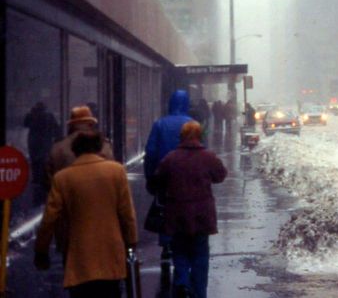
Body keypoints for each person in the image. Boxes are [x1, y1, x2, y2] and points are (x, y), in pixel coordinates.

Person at [34, 130, 137, 298]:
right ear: (99, 148)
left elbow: (49, 219)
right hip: (110, 254)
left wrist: (41, 250)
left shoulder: (62, 178)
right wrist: (131, 241)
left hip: (79, 256)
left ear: (75, 150)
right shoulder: (116, 171)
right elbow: (126, 213)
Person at [154, 121, 227, 298]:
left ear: (182, 136)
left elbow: (158, 179)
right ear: (199, 136)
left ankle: (182, 283)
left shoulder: (171, 158)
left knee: (179, 250)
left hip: (177, 212)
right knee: (200, 253)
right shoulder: (208, 156)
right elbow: (220, 175)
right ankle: (199, 291)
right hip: (202, 214)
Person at [44, 106, 114, 261]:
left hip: (70, 221)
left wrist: (42, 247)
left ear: (71, 125)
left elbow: (49, 186)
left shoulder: (57, 149)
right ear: (91, 123)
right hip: (102, 220)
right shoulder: (105, 147)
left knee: (72, 265)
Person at [144, 89, 195, 270]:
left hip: (164, 175)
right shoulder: (192, 124)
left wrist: (150, 176)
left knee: (165, 209)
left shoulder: (160, 124)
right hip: (187, 176)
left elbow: (150, 152)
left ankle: (166, 244)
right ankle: (184, 239)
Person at [24, 101, 61, 204]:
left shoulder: (33, 115)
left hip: (34, 143)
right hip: (45, 143)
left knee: (35, 162)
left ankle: (37, 181)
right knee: (44, 162)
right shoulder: (49, 116)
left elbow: (25, 123)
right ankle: (43, 182)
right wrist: (58, 139)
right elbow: (57, 129)